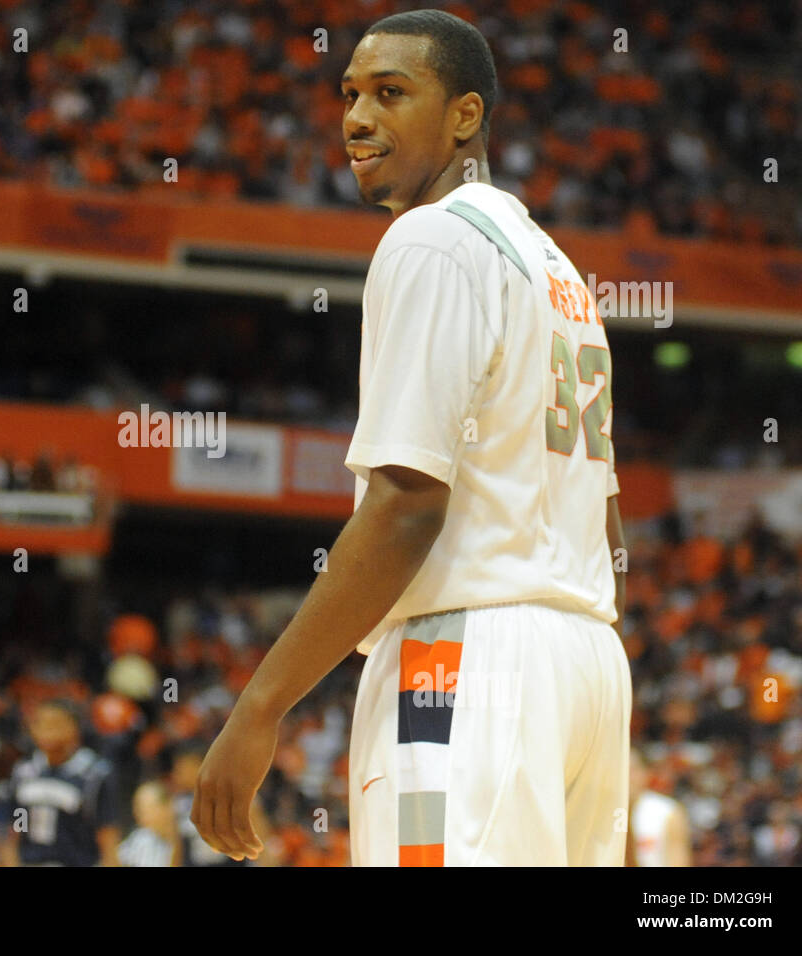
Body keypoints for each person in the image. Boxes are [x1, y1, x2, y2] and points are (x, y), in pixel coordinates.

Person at [194, 9, 630, 867]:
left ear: (465, 115)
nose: (357, 117)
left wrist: (258, 708)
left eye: (391, 94)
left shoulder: (433, 238)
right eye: (351, 94)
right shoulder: (555, 266)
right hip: (587, 667)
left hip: (467, 662)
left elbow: (406, 505)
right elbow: (609, 527)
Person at [1, 699, 121, 866]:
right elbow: (14, 834)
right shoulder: (23, 773)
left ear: (75, 728)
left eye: (55, 724)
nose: (46, 730)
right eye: (40, 723)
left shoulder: (94, 774)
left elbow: (108, 838)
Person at [627, 749, 691, 866]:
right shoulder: (598, 811)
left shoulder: (667, 811)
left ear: (646, 773)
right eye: (620, 771)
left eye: (631, 770)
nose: (626, 777)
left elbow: (678, 861)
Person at [116, 781, 179, 867]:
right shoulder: (141, 839)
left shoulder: (188, 834)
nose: (140, 816)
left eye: (147, 810)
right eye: (139, 810)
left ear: (167, 806)